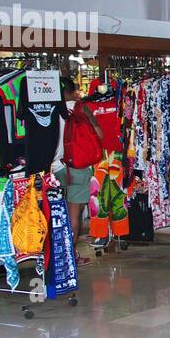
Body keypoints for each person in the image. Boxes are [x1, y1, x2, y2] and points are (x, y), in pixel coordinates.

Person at [57, 76, 103, 257]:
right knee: (74, 215)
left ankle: (55, 256)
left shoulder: (49, 109)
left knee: (54, 213)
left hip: (52, 168)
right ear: (73, 91)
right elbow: (99, 133)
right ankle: (70, 255)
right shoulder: (81, 108)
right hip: (78, 166)